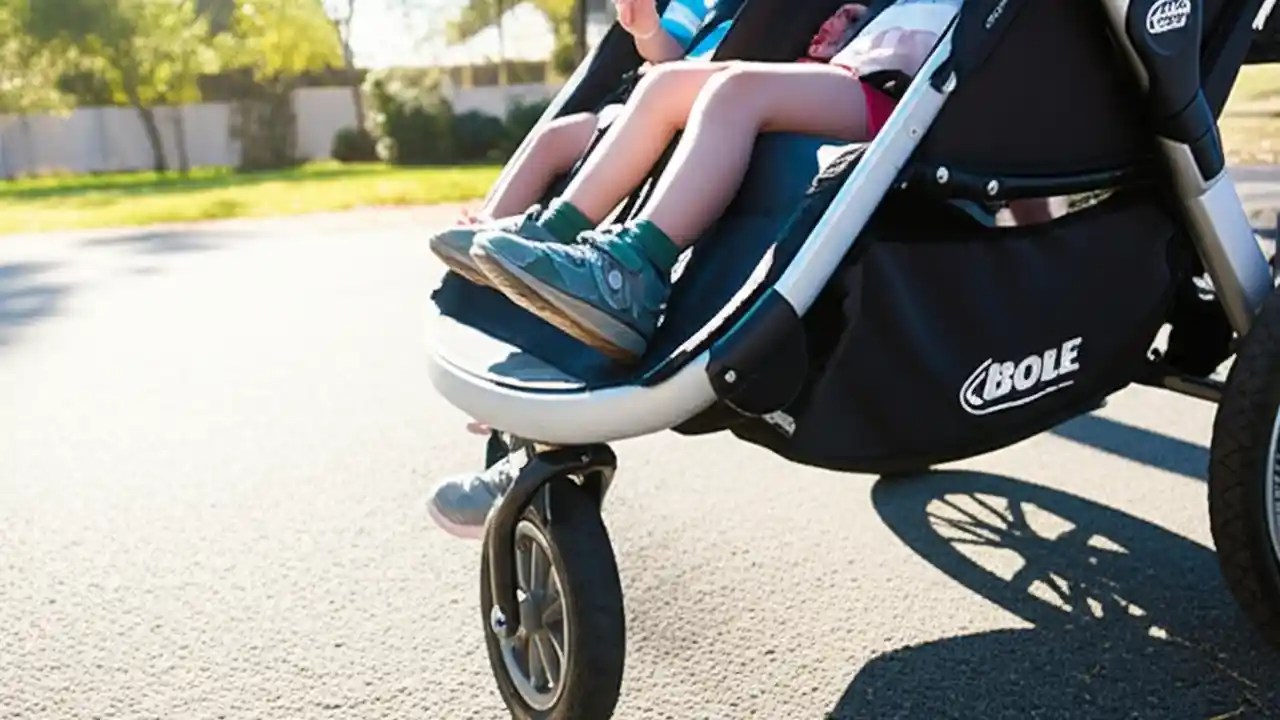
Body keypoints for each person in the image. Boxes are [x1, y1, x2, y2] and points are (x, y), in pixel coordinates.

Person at [427, 0, 961, 538]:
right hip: (817, 81)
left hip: (897, 94)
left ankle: (627, 268)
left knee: (724, 96)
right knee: (660, 94)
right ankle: (535, 239)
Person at [454, 0, 960, 361]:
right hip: (854, 71)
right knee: (665, 82)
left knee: (735, 92)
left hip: (898, 95)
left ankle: (636, 270)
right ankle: (555, 232)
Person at [431, 0, 740, 287]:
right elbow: (665, 53)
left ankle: (546, 234)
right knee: (555, 137)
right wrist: (646, 28)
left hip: (706, 102)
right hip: (649, 101)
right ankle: (489, 226)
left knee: (655, 101)